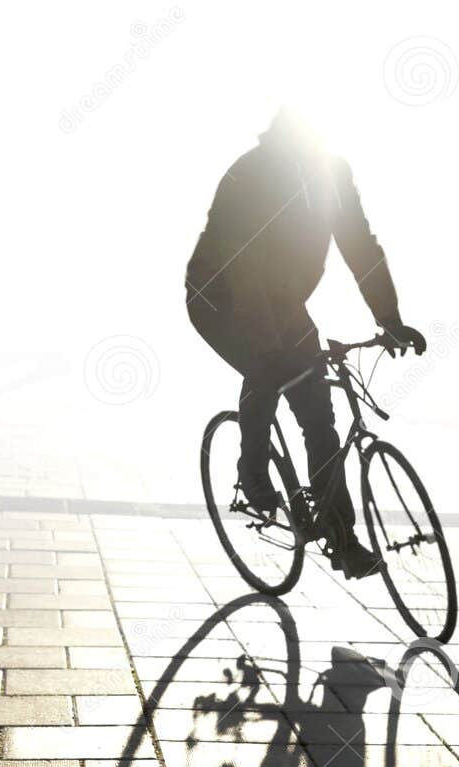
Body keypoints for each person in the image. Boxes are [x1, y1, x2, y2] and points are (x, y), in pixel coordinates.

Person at [185, 107, 427, 577]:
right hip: (219, 295)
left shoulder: (334, 175)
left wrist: (390, 318)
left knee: (319, 417)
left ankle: (343, 537)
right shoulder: (250, 176)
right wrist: (271, 346)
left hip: (281, 300)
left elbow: (360, 245)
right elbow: (245, 264)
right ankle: (254, 474)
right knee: (265, 369)